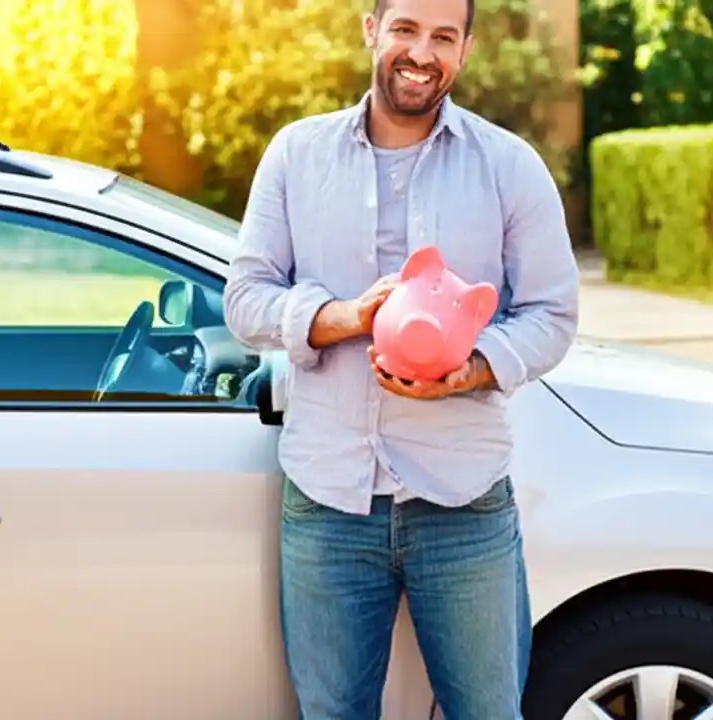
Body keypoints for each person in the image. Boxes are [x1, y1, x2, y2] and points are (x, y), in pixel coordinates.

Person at [222, 0, 579, 716]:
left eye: (444, 37)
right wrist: (343, 317)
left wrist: (471, 369)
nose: (422, 53)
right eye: (406, 30)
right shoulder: (297, 154)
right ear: (370, 32)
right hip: (328, 500)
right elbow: (246, 299)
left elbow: (553, 315)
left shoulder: (509, 167)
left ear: (466, 50)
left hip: (463, 499)